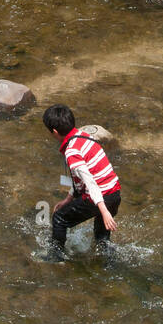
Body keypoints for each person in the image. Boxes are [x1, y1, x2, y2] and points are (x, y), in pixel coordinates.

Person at [43, 104, 121, 258]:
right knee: (102, 238)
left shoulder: (72, 152)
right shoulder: (85, 136)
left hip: (100, 196)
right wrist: (69, 199)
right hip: (114, 193)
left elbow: (90, 182)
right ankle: (109, 262)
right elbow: (83, 177)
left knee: (59, 218)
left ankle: (56, 257)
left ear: (55, 132)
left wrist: (104, 211)